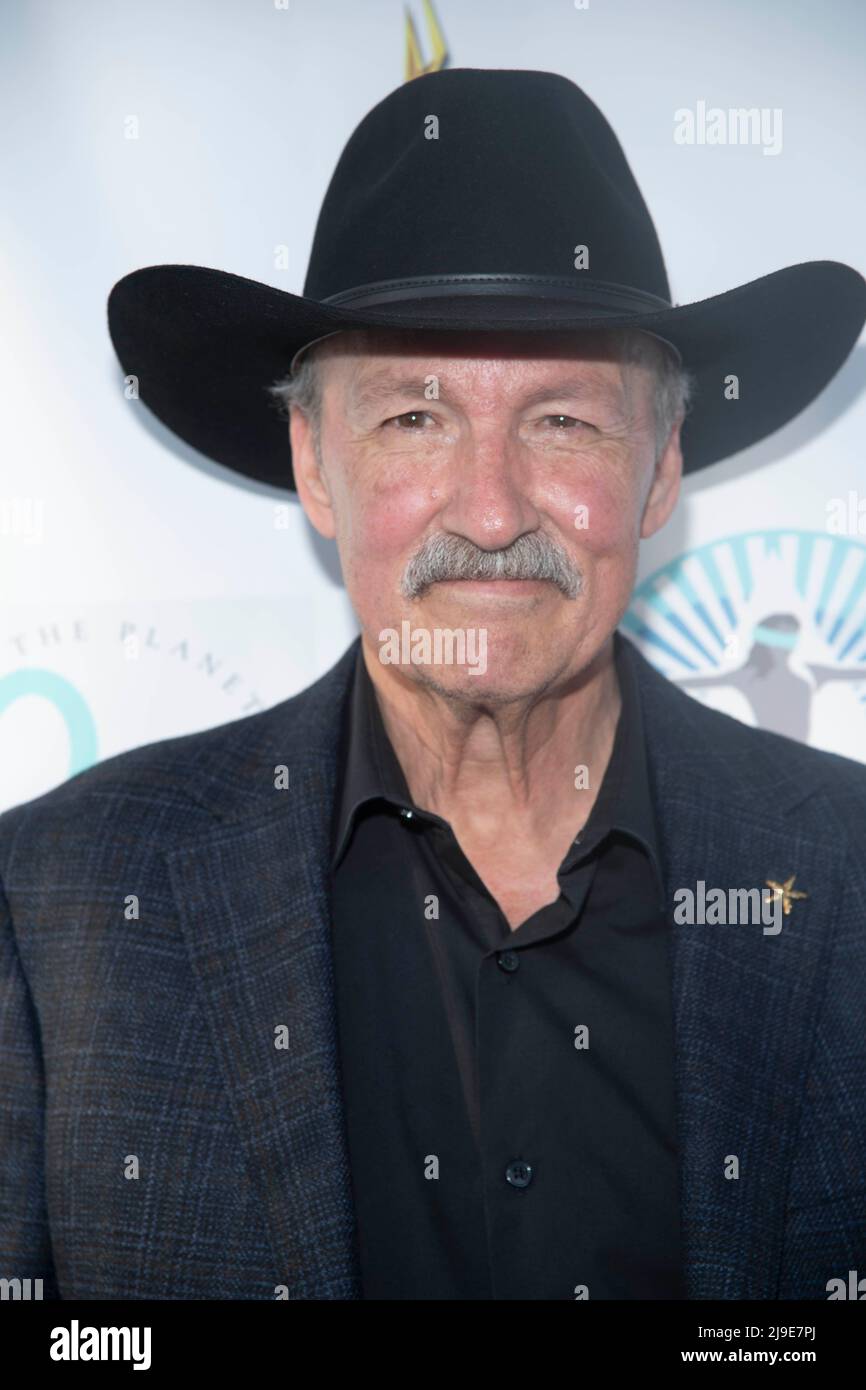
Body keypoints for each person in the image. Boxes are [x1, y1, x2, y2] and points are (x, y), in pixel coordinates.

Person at [2, 68, 865, 1301]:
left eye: (563, 421)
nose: (492, 508)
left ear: (660, 469)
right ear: (313, 462)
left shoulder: (849, 872)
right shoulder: (57, 906)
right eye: (414, 418)